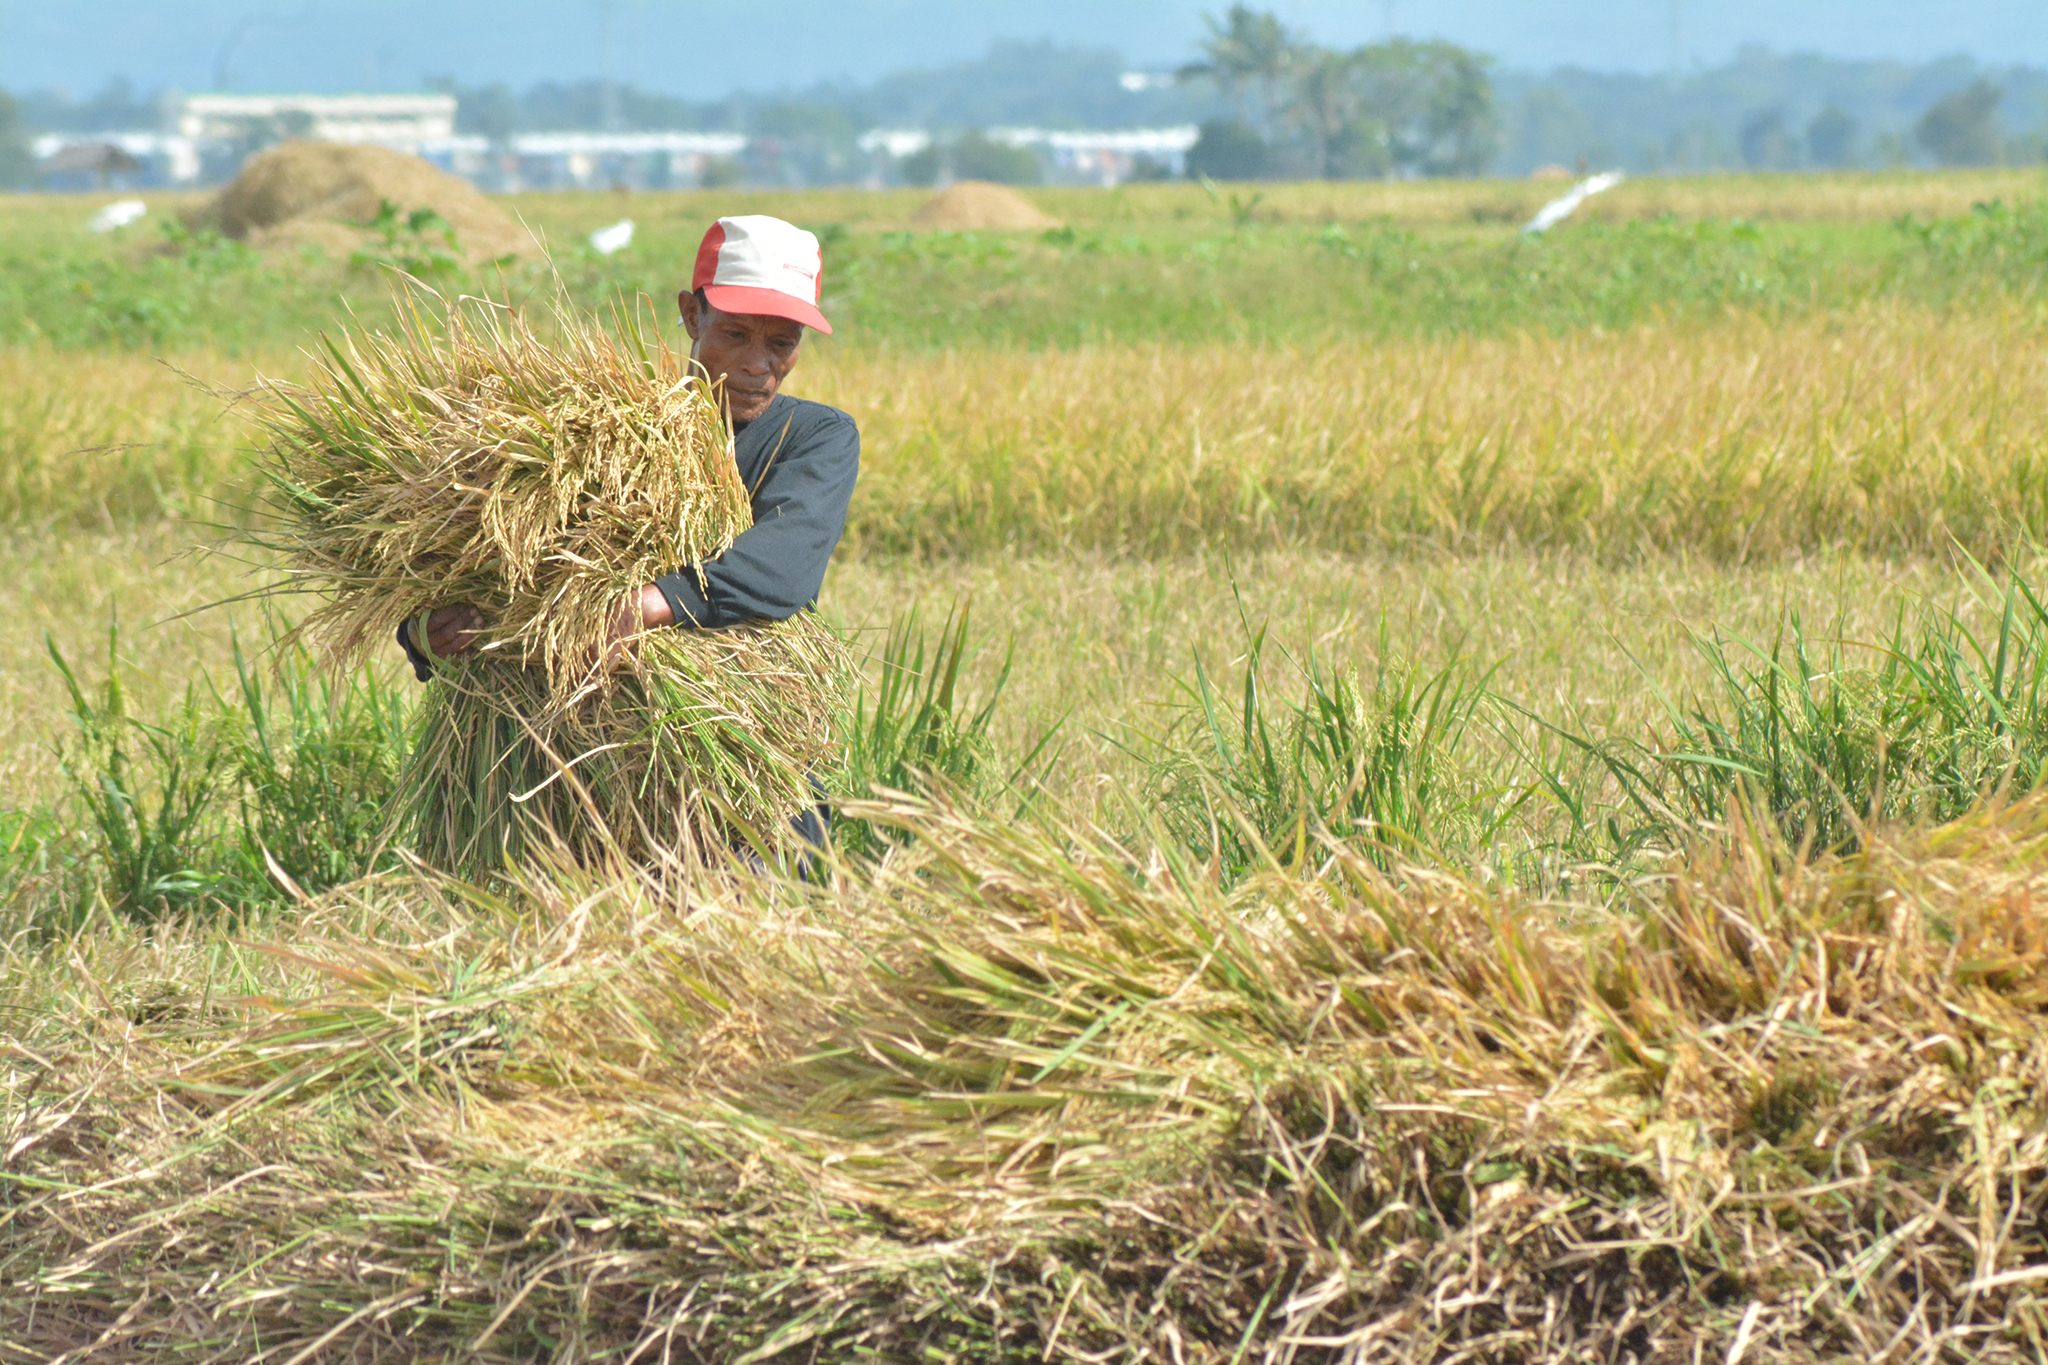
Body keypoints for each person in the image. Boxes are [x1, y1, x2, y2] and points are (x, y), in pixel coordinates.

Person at [397, 213, 860, 847]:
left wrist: (640, 608)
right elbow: (475, 560)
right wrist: (425, 631)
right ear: (691, 317)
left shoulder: (813, 437)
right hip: (553, 770)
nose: (758, 364)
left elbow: (784, 566)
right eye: (736, 333)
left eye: (781, 343)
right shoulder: (603, 432)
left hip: (734, 759)